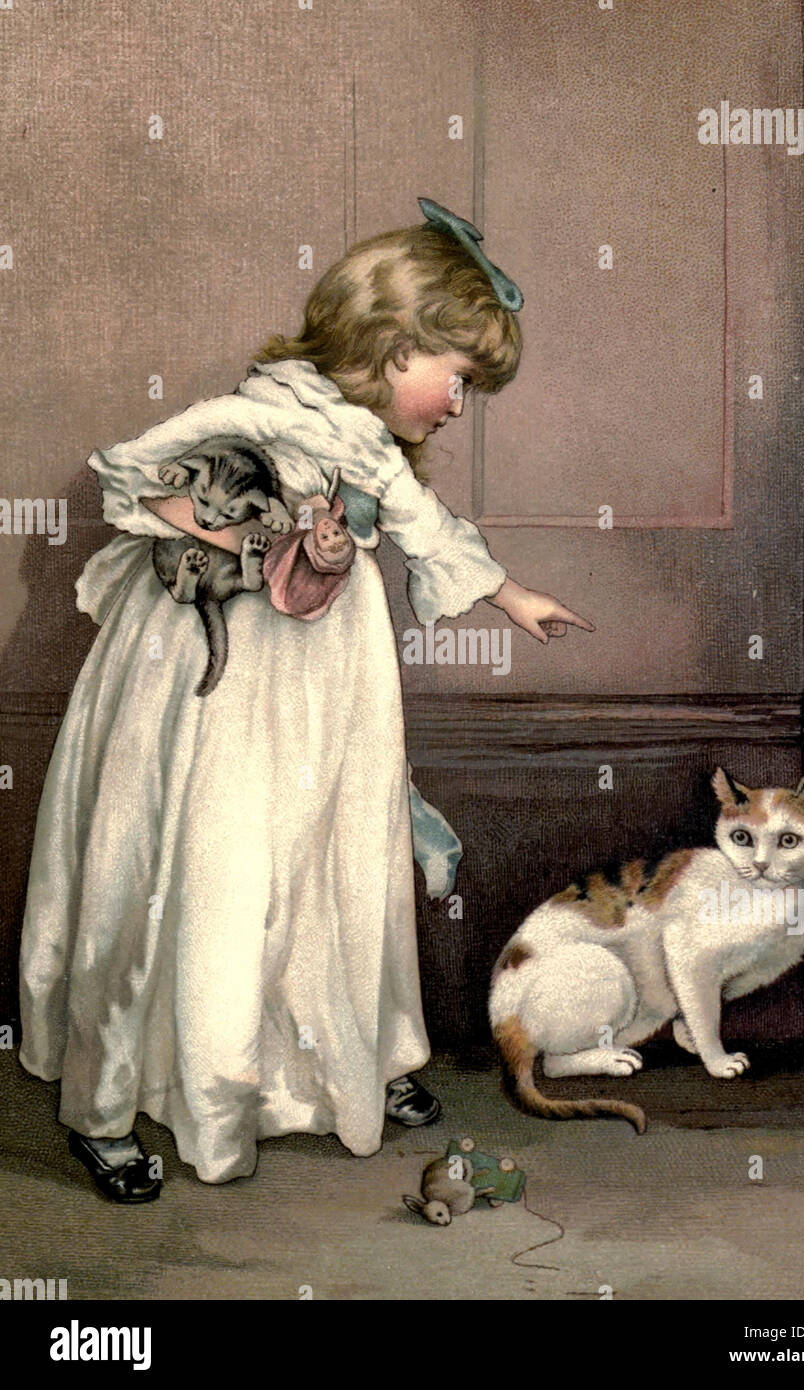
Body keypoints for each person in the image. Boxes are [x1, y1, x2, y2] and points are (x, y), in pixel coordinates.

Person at [18, 203, 593, 1202]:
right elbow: (126, 478)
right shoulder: (272, 410)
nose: (458, 405)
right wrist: (248, 549)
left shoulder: (368, 445)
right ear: (397, 344)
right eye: (455, 379)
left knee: (325, 857)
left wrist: (512, 597)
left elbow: (425, 525)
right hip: (222, 669)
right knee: (210, 862)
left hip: (327, 674)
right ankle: (127, 1102)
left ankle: (344, 1064)